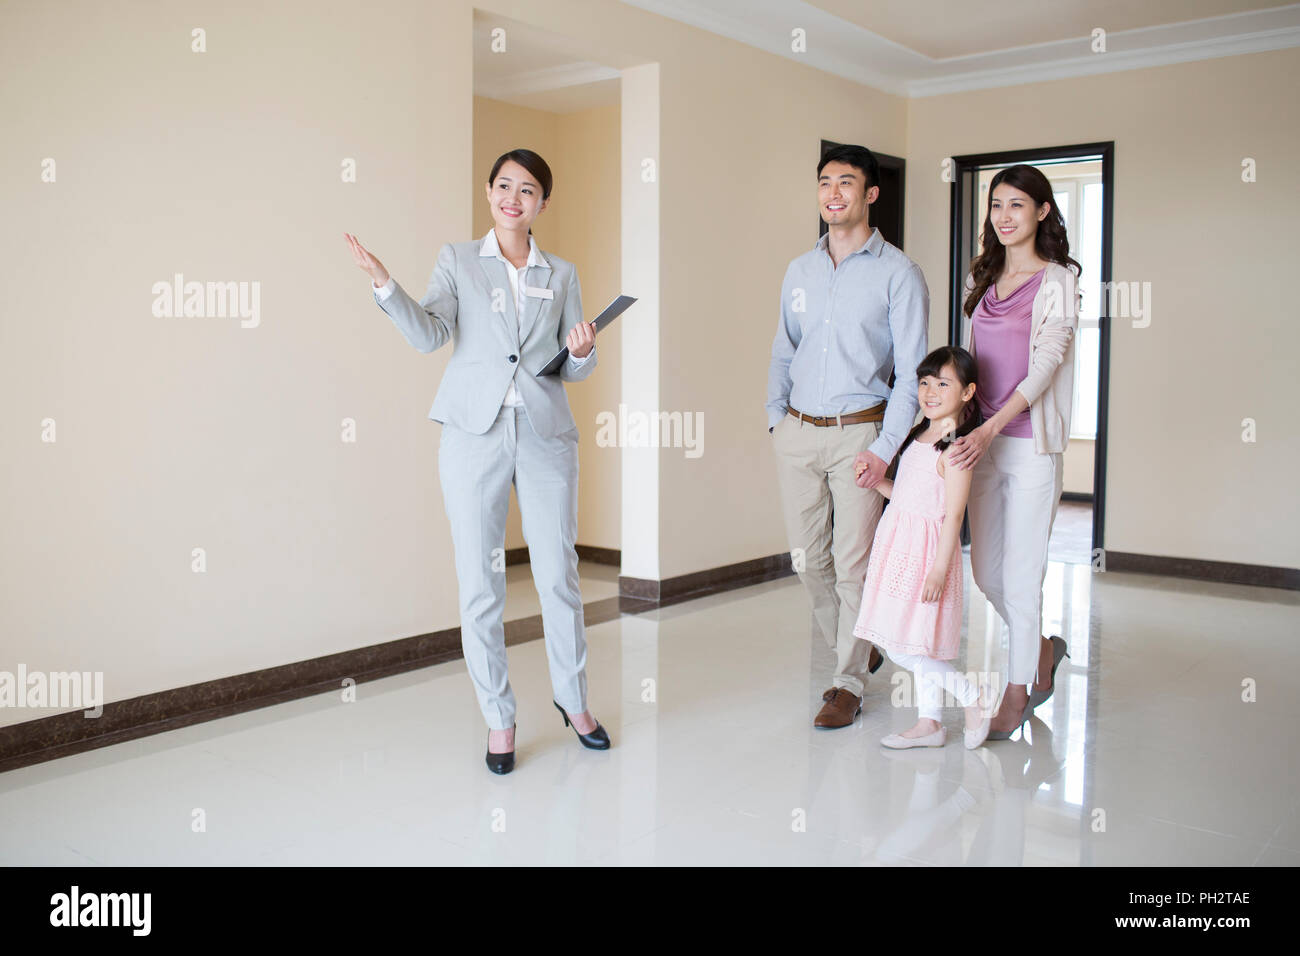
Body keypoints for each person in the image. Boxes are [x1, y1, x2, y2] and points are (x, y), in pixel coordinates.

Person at [344, 148, 610, 774]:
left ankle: (573, 701)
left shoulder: (562, 272)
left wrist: (582, 348)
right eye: (504, 186)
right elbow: (430, 335)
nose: (513, 198)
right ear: (489, 191)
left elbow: (572, 367)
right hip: (473, 436)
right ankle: (499, 717)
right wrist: (386, 284)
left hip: (545, 435)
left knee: (558, 577)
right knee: (480, 586)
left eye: (528, 190)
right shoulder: (459, 260)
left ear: (544, 202)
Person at [767, 144, 929, 729]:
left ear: (870, 194)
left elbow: (912, 374)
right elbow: (784, 349)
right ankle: (864, 643)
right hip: (798, 434)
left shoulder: (899, 273)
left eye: (846, 183)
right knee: (809, 563)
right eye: (825, 182)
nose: (833, 193)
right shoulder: (799, 270)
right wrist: (774, 419)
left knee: (852, 565)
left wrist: (884, 449)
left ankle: (846, 682)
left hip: (862, 434)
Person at [948, 164, 1080, 740]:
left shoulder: (1058, 281)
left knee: (1022, 579)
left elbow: (1046, 362)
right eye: (996, 205)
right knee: (987, 574)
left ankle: (1018, 689)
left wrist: (993, 426)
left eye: (1017, 205)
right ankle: (1044, 648)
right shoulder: (984, 279)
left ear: (1042, 211)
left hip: (1028, 448)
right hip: (983, 443)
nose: (1004, 216)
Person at [853, 346, 993, 749]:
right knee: (915, 638)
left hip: (928, 555)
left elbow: (952, 515)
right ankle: (930, 723)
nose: (930, 391)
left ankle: (973, 697)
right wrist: (876, 484)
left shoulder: (957, 447)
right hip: (900, 544)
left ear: (967, 393)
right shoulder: (920, 434)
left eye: (943, 384)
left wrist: (938, 568)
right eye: (925, 382)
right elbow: (911, 497)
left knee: (903, 644)